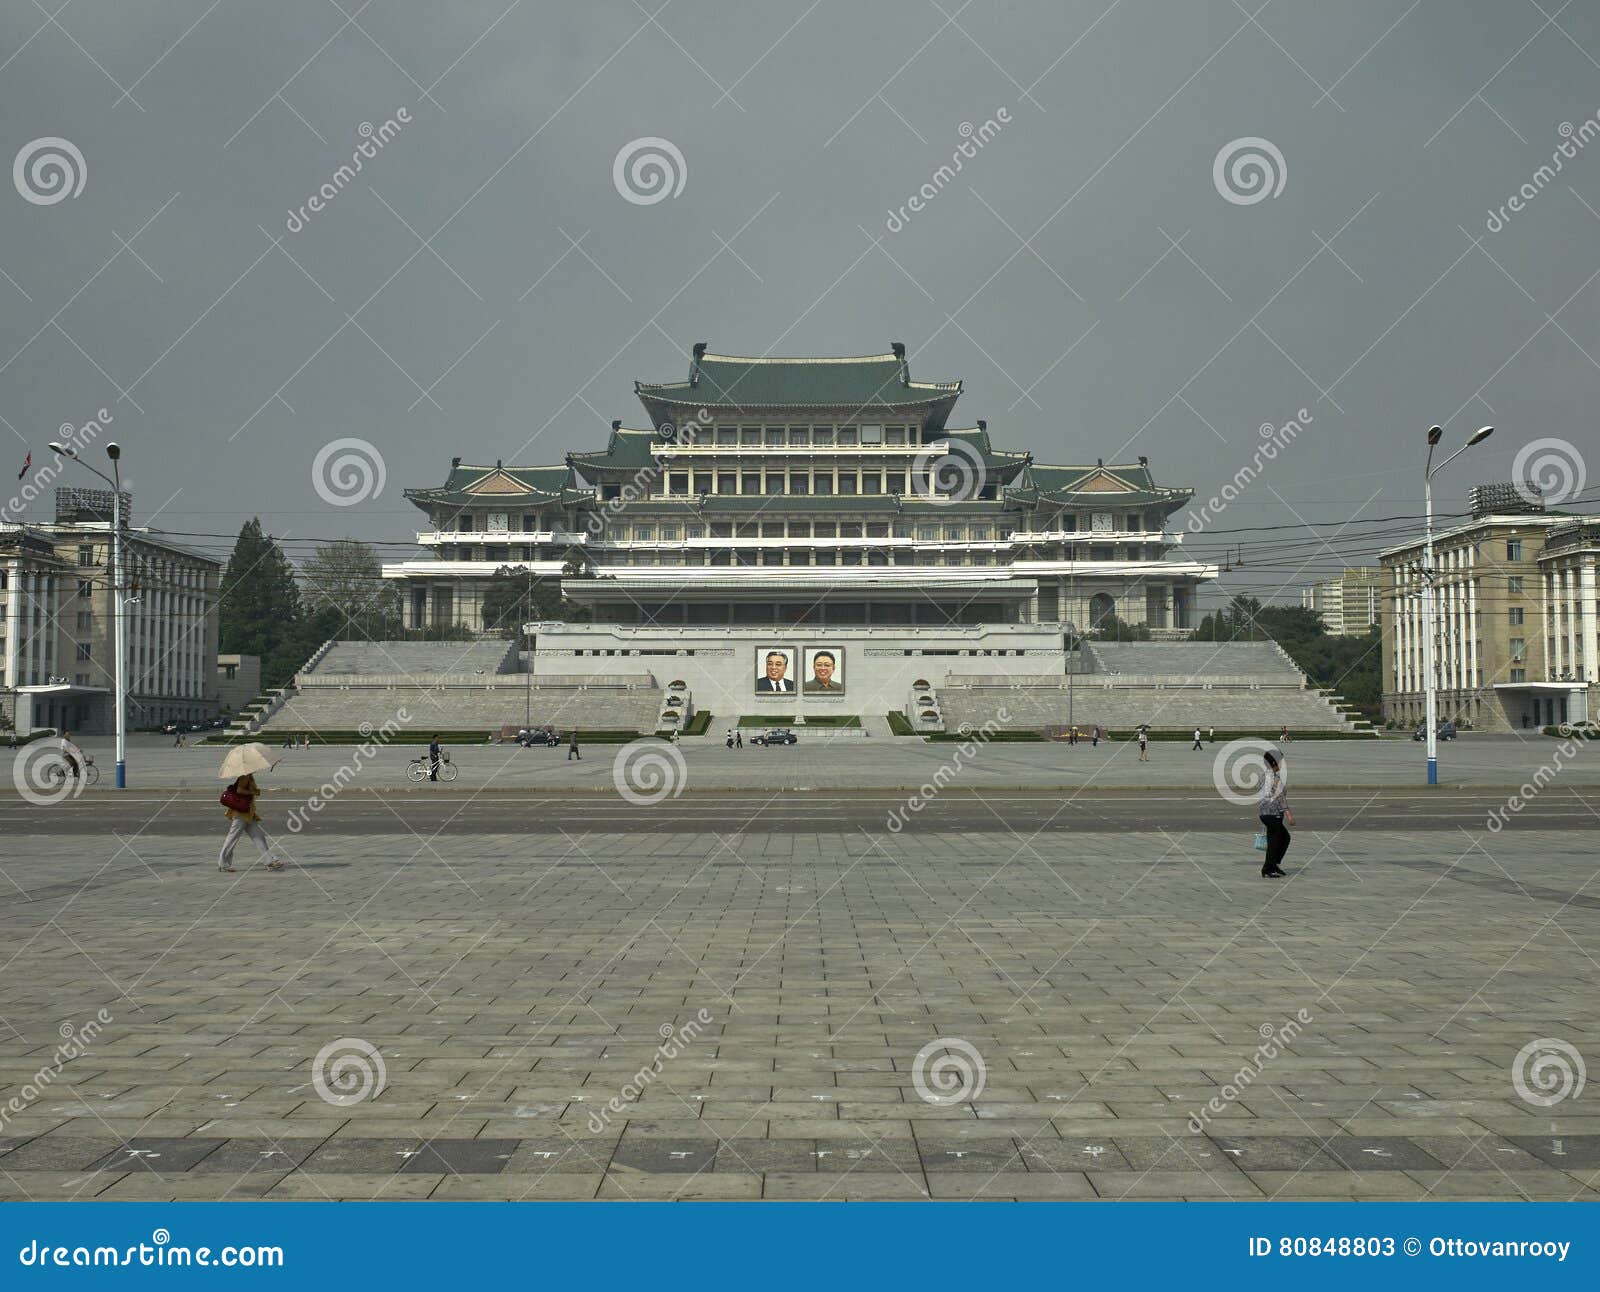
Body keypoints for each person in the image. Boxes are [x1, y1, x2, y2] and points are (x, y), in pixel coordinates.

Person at [218, 773, 283, 873]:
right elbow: (239, 790)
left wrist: (254, 792)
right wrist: (252, 792)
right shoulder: (245, 776)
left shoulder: (249, 776)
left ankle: (269, 862)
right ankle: (223, 864)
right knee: (232, 838)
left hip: (249, 814)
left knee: (259, 837)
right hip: (241, 815)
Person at [1258, 749, 1292, 878]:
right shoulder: (1274, 778)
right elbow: (1281, 797)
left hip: (1264, 813)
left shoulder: (1263, 776)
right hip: (1274, 814)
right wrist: (1289, 815)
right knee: (1276, 841)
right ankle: (1268, 868)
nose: (1281, 764)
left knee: (1280, 838)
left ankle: (1272, 865)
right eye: (1280, 761)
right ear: (1274, 762)